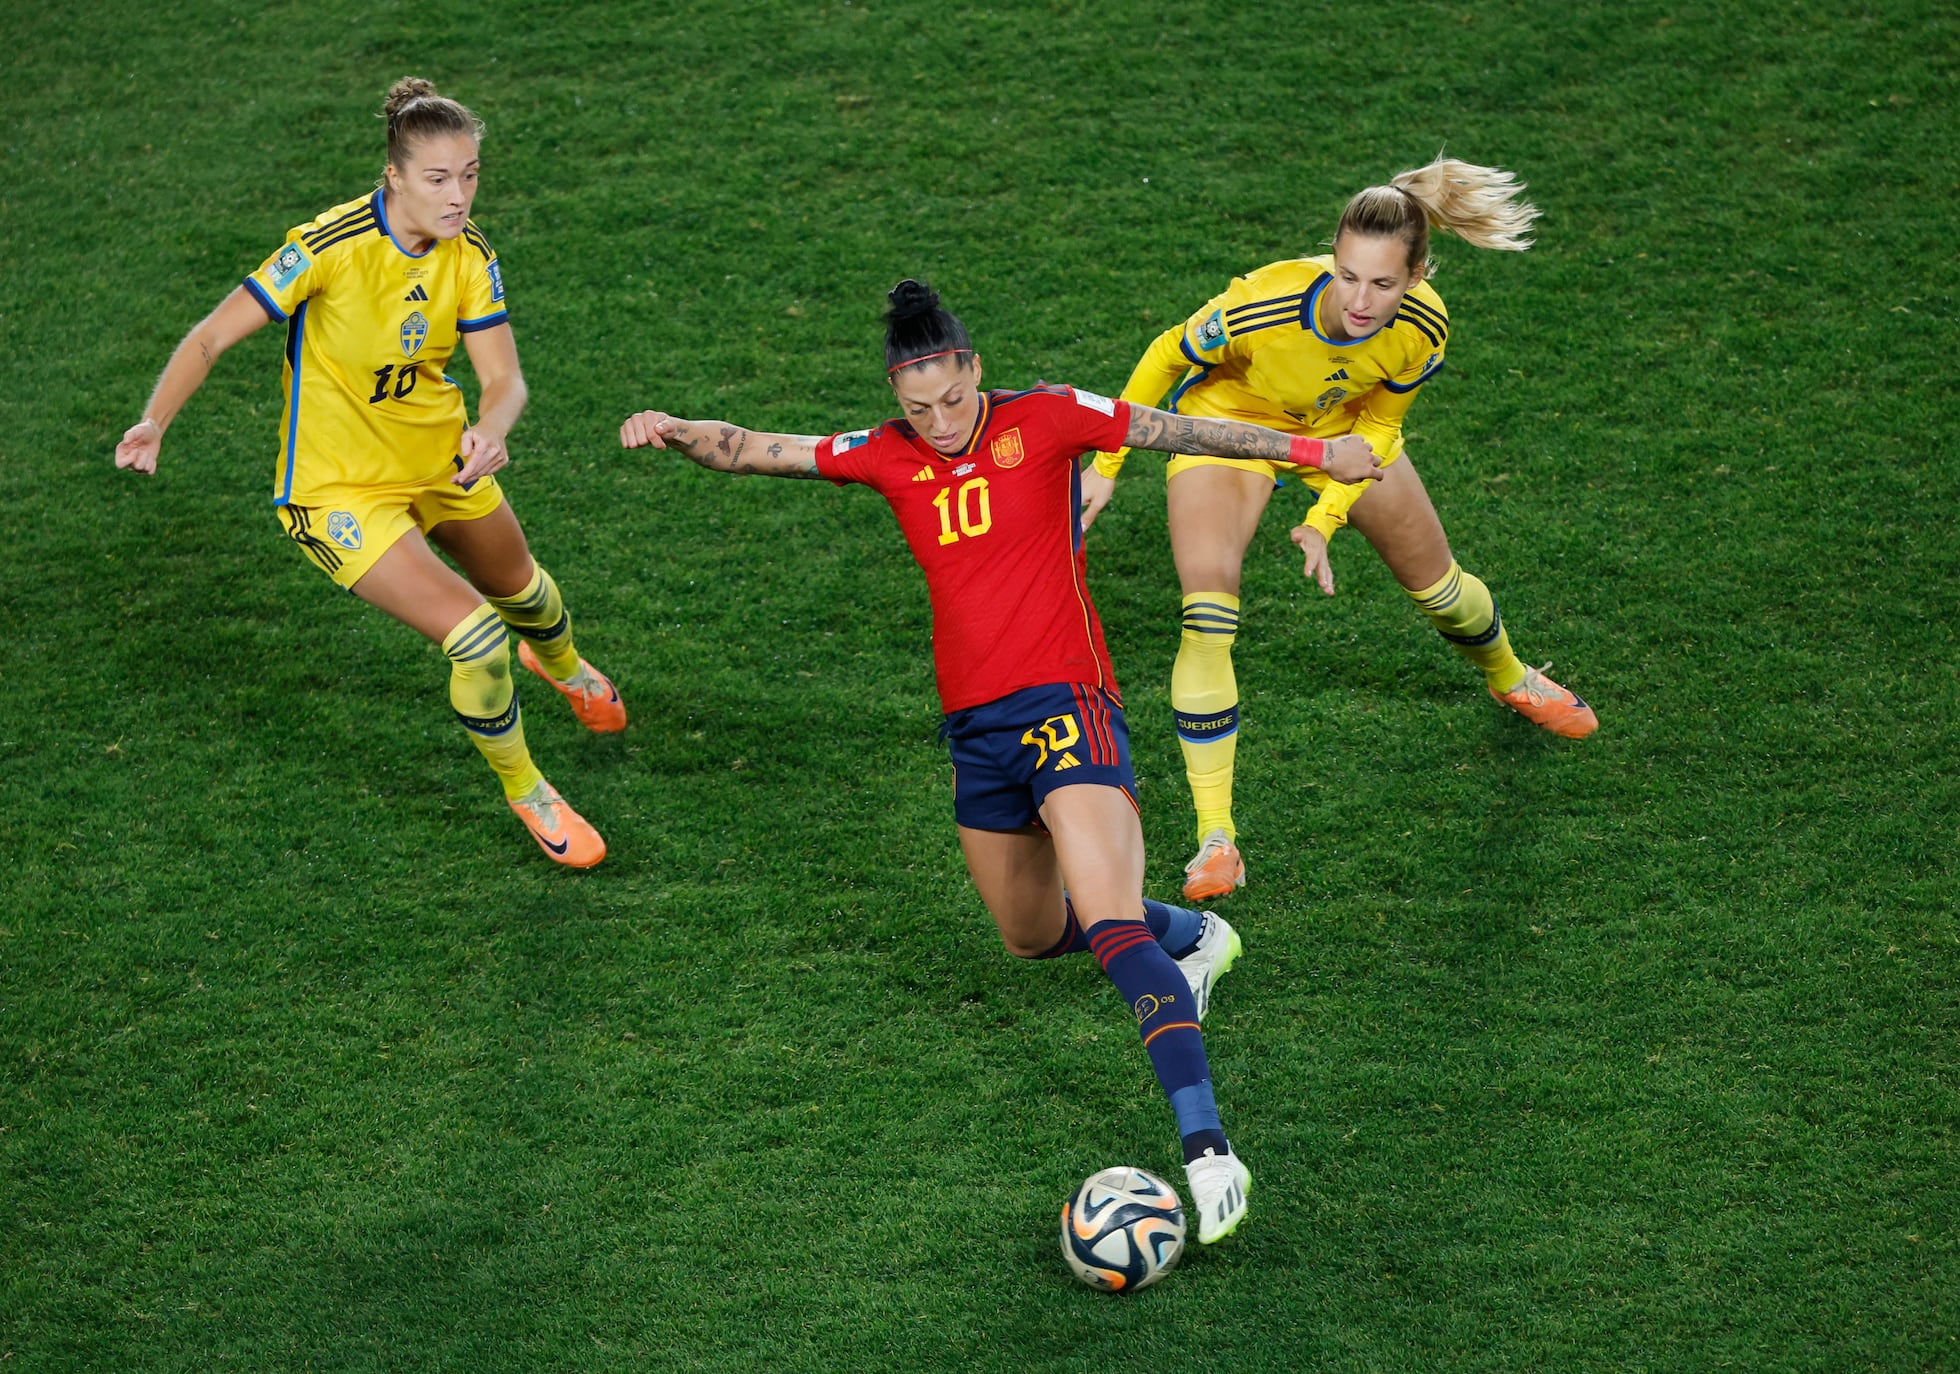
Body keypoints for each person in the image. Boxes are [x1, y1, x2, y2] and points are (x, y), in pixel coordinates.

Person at [619, 280, 1381, 1243]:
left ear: (974, 368)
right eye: (916, 406)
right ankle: (1191, 937)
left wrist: (1316, 454)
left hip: (1069, 705)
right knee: (1029, 934)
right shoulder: (886, 455)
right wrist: (675, 426)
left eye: (950, 397)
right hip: (975, 735)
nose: (937, 422)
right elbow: (757, 449)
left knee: (1106, 929)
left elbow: (1176, 429)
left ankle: (1208, 1145)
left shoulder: (1048, 418)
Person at [114, 78, 624, 868]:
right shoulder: (327, 246)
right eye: (439, 179)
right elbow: (214, 334)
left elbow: (505, 378)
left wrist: (491, 430)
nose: (459, 196)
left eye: (471, 175)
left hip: (438, 460)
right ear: (395, 176)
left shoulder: (470, 254)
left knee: (523, 589)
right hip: (338, 491)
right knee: (479, 639)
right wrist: (155, 420)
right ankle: (530, 790)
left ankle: (561, 665)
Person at [1079, 156, 1599, 903]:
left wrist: (1324, 517)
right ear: (1332, 255)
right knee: (1207, 615)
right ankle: (1216, 840)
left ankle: (1511, 676)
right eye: (1348, 274)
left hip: (1344, 439)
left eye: (1383, 283)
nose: (1360, 299)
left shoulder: (1423, 328)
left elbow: (1382, 428)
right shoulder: (1262, 303)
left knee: (1442, 591)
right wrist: (1107, 462)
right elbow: (1166, 357)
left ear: (1418, 275)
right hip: (1230, 426)